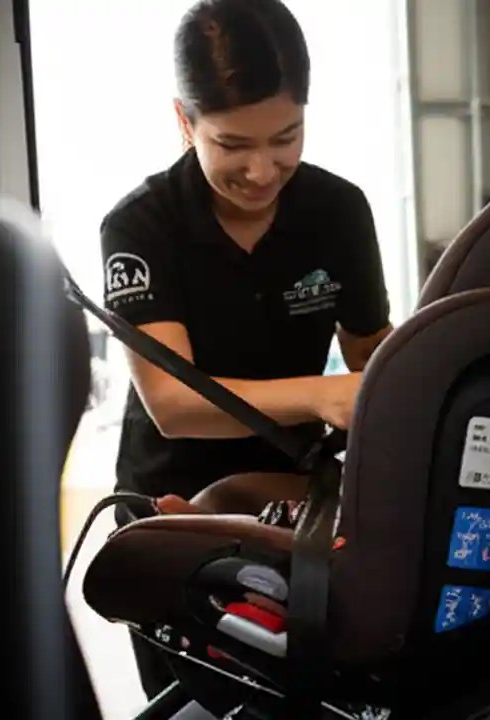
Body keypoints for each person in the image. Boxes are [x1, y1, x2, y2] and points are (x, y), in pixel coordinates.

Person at [97, 0, 393, 700]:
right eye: (233, 145)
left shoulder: (339, 211)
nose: (262, 170)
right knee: (192, 705)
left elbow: (371, 354)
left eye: (286, 138)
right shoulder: (140, 227)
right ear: (184, 121)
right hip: (172, 510)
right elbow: (173, 404)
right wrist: (322, 396)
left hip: (291, 507)